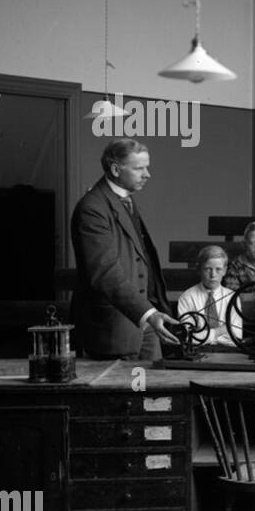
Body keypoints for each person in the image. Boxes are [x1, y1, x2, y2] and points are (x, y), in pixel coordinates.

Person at [69, 141, 180, 359]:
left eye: (146, 167)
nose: (147, 174)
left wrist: (153, 310)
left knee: (151, 389)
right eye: (139, 168)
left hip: (145, 322)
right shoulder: (92, 208)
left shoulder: (123, 200)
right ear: (115, 169)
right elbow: (104, 272)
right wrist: (147, 313)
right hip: (113, 327)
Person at [175, 245, 237, 346]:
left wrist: (202, 336)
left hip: (228, 352)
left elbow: (236, 337)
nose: (213, 275)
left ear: (225, 271)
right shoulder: (187, 297)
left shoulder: (232, 297)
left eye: (218, 269)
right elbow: (188, 337)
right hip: (196, 352)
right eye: (208, 269)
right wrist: (220, 331)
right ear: (199, 269)